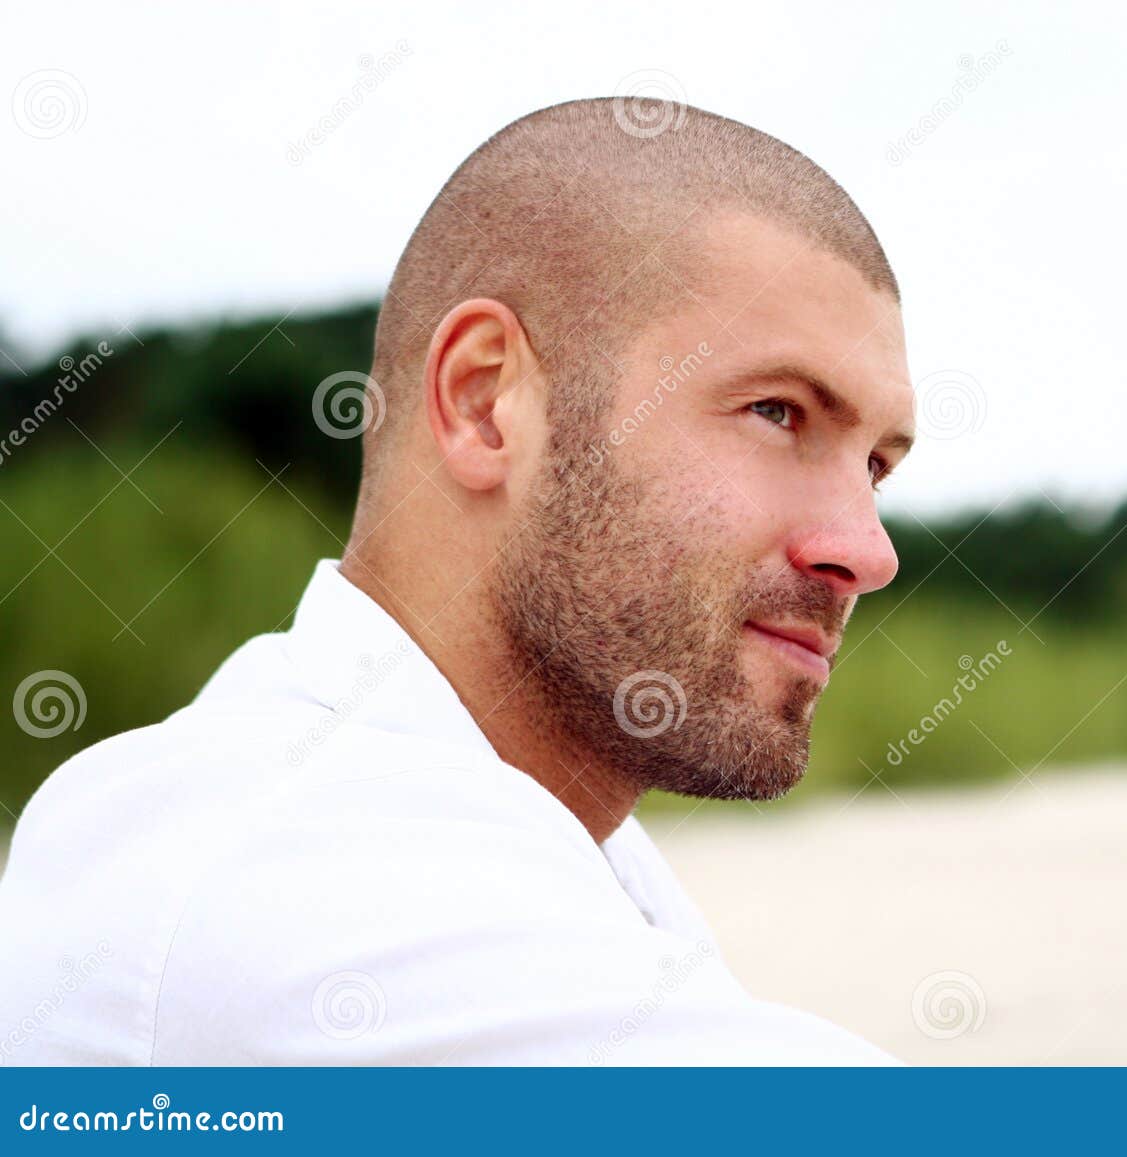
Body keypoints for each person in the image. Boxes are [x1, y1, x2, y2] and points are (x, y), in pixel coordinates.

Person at [0, 98, 916, 1064]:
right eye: (778, 411)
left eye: (877, 466)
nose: (870, 549)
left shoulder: (548, 842)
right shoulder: (294, 874)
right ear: (486, 404)